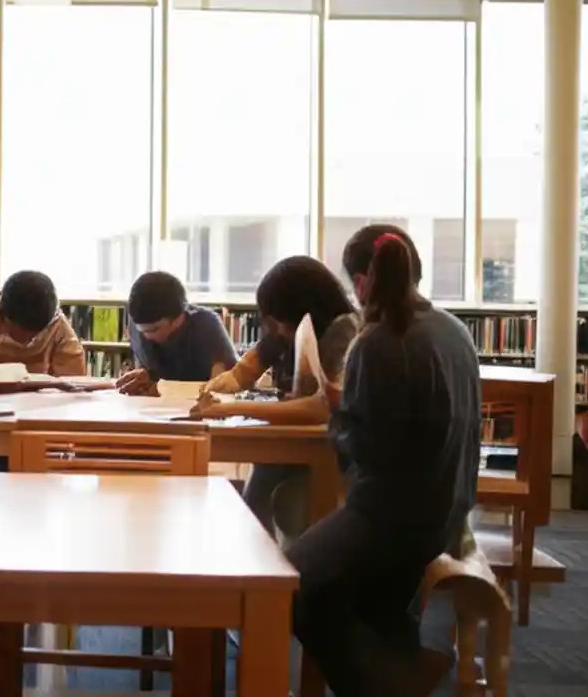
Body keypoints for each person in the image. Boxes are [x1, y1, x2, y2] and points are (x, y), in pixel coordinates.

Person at [287, 226, 481, 697]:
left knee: (286, 583)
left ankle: (387, 684)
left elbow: (367, 450)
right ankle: (397, 662)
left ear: (360, 282)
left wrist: (338, 413)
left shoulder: (378, 343)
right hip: (449, 512)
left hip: (390, 520)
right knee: (356, 596)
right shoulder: (455, 331)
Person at [190, 255, 359, 540]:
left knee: (279, 499)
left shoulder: (343, 333)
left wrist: (233, 408)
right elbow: (249, 366)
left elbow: (322, 408)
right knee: (261, 480)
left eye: (277, 319)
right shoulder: (287, 334)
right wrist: (228, 384)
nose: (274, 328)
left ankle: (273, 572)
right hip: (305, 441)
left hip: (339, 453)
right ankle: (257, 570)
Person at [115, 271, 238, 395]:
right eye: (142, 331)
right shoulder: (137, 327)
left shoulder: (206, 324)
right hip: (156, 406)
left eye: (154, 330)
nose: (147, 336)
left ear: (178, 319)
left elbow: (222, 387)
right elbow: (150, 376)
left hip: (200, 406)